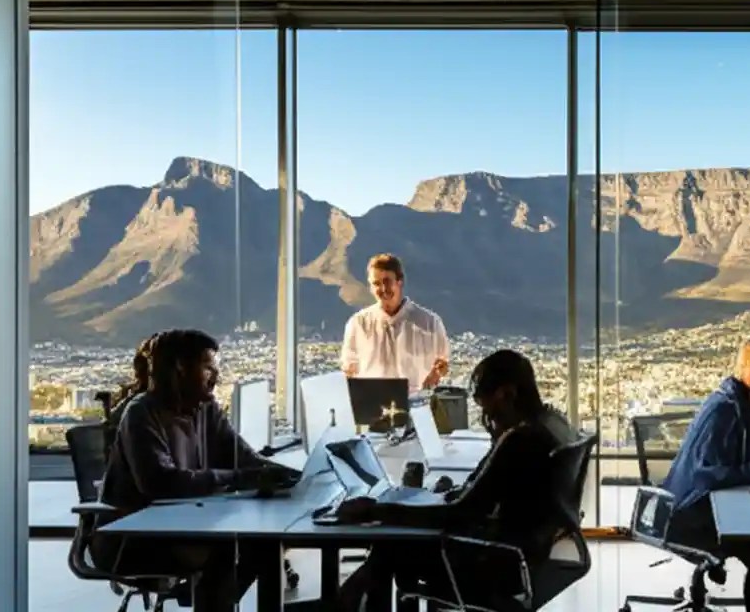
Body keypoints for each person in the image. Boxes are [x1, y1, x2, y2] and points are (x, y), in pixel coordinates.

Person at [336, 349, 575, 611]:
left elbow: (461, 513)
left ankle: (347, 599)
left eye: (488, 406)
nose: (488, 416)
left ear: (507, 393)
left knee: (391, 546)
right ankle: (350, 596)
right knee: (391, 548)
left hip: (498, 563)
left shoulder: (520, 441)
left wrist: (375, 510)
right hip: (528, 554)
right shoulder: (553, 424)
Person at [93, 329, 298, 612]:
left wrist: (294, 478)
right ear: (180, 367)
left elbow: (244, 459)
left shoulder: (206, 410)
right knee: (228, 546)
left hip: (185, 525)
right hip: (134, 539)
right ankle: (211, 599)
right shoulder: (141, 414)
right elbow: (161, 482)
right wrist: (241, 478)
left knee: (264, 544)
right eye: (208, 368)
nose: (216, 376)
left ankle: (211, 599)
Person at [661, 339, 750, 612]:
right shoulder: (724, 409)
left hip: (706, 505)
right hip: (687, 517)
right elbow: (708, 476)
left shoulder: (740, 401)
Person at [342, 253, 450, 394]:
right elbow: (349, 369)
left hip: (416, 406)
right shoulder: (358, 324)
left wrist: (432, 379)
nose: (383, 289)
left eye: (387, 282)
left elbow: (443, 363)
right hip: (372, 407)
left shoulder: (429, 323)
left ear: (400, 281)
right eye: (376, 283)